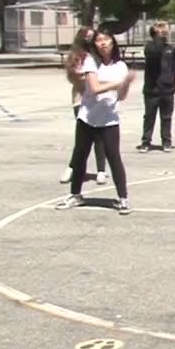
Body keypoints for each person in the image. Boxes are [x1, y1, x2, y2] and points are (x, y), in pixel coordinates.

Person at [56, 26, 135, 214]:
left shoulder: (120, 66)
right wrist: (119, 83)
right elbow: (93, 88)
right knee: (80, 155)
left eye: (106, 39)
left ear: (113, 42)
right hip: (87, 117)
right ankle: (75, 194)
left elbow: (122, 96)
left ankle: (122, 198)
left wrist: (125, 85)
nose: (103, 43)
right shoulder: (91, 62)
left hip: (109, 119)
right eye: (99, 40)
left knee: (114, 157)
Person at [60, 27, 107, 185]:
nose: (89, 40)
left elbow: (105, 75)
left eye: (92, 37)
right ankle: (73, 167)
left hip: (98, 99)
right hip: (80, 99)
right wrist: (87, 77)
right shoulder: (76, 55)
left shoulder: (97, 55)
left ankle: (101, 170)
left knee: (99, 137)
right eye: (87, 37)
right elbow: (73, 76)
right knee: (82, 137)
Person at [138, 21, 175, 153]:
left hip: (167, 89)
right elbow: (156, 52)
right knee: (149, 117)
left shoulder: (169, 48)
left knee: (166, 117)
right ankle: (146, 141)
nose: (164, 31)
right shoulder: (150, 47)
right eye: (160, 29)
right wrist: (159, 35)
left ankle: (166, 141)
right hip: (152, 89)